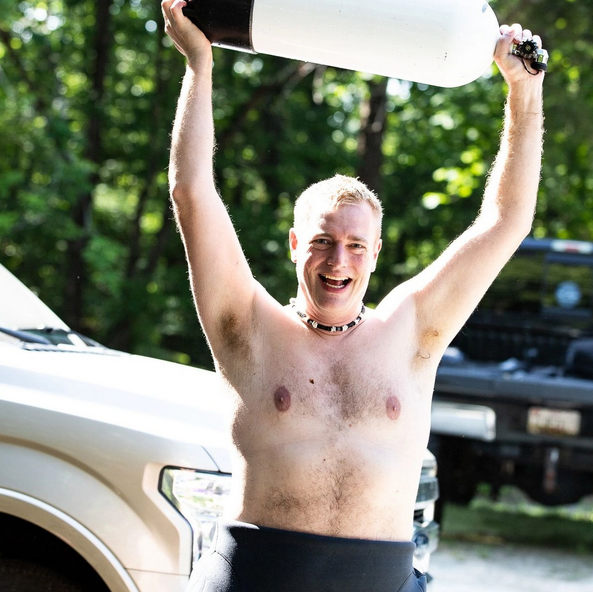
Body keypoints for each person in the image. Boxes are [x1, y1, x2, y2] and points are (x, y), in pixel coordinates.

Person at [161, 1, 545, 590]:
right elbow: (192, 194)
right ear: (295, 244)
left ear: (377, 251)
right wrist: (199, 65)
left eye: (356, 246)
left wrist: (524, 93)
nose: (339, 261)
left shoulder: (412, 330)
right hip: (258, 578)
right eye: (322, 241)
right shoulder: (247, 327)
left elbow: (506, 221)